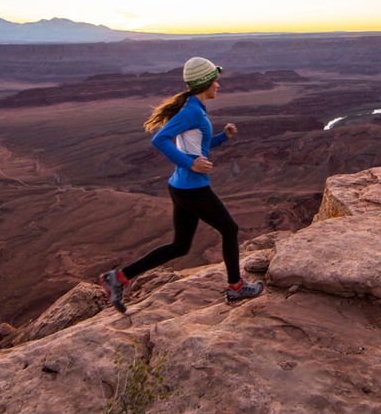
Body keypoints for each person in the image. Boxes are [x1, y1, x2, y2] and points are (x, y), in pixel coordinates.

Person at [99, 57, 264, 313]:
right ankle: (236, 287)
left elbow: (197, 147)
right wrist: (190, 164)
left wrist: (223, 137)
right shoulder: (191, 111)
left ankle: (118, 278)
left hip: (182, 187)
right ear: (205, 83)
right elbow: (160, 139)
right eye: (215, 80)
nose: (218, 84)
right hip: (192, 188)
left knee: (180, 246)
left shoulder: (194, 108)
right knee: (230, 229)